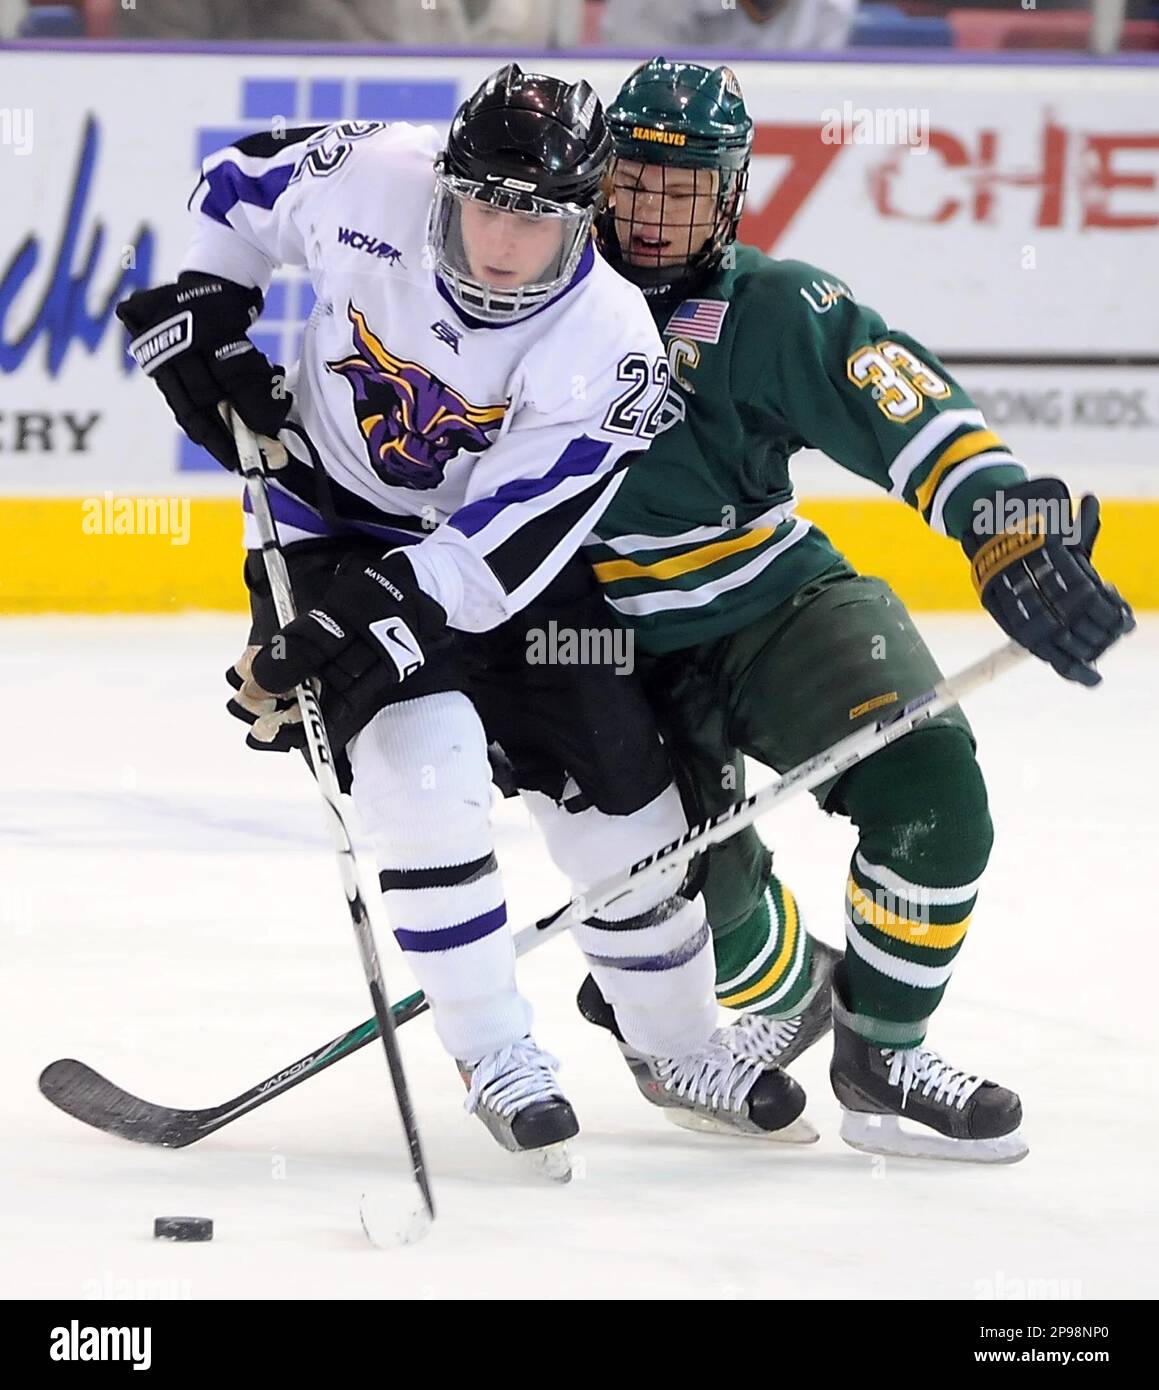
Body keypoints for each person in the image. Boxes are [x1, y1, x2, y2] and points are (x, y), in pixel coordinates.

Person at [114, 65, 809, 1173]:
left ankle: (681, 1047)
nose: (499, 239)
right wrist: (202, 300)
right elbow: (234, 186)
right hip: (325, 526)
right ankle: (494, 1053)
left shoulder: (610, 343)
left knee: (623, 795)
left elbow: (507, 549)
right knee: (424, 772)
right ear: (444, 175)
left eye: (536, 217)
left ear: (587, 216)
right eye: (483, 198)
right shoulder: (366, 177)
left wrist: (370, 627)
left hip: (498, 567)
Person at [579, 57, 1135, 1162]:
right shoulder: (523, 299)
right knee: (713, 908)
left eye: (681, 191)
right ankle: (795, 987)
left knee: (934, 789)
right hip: (592, 646)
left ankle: (881, 1052)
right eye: (633, 181)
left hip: (770, 602)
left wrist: (1002, 527)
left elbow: (909, 411)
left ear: (731, 194)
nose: (650, 215)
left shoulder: (772, 308)